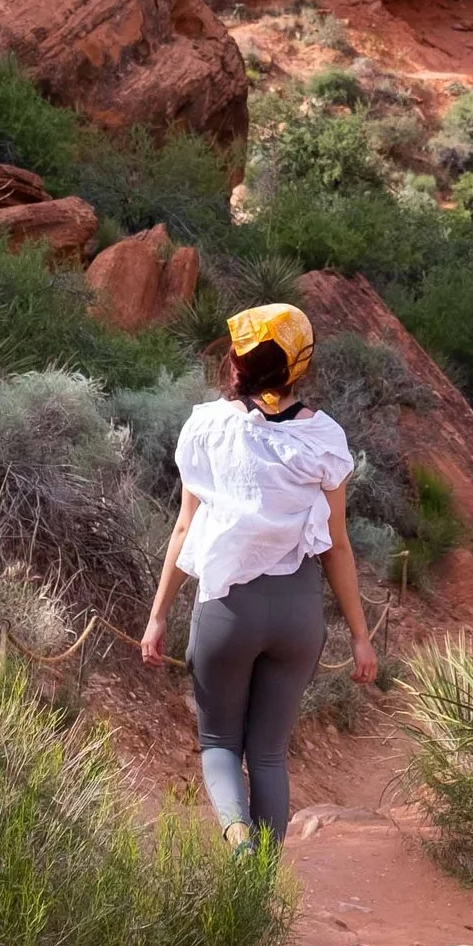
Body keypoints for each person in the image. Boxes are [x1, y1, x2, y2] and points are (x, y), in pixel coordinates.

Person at [141, 302, 378, 848]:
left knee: (220, 741)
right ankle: (262, 889)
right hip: (297, 614)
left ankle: (237, 840)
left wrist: (157, 619)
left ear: (236, 363)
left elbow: (183, 531)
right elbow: (337, 546)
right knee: (269, 753)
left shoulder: (208, 429)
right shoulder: (323, 439)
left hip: (228, 608)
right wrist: (361, 637)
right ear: (300, 364)